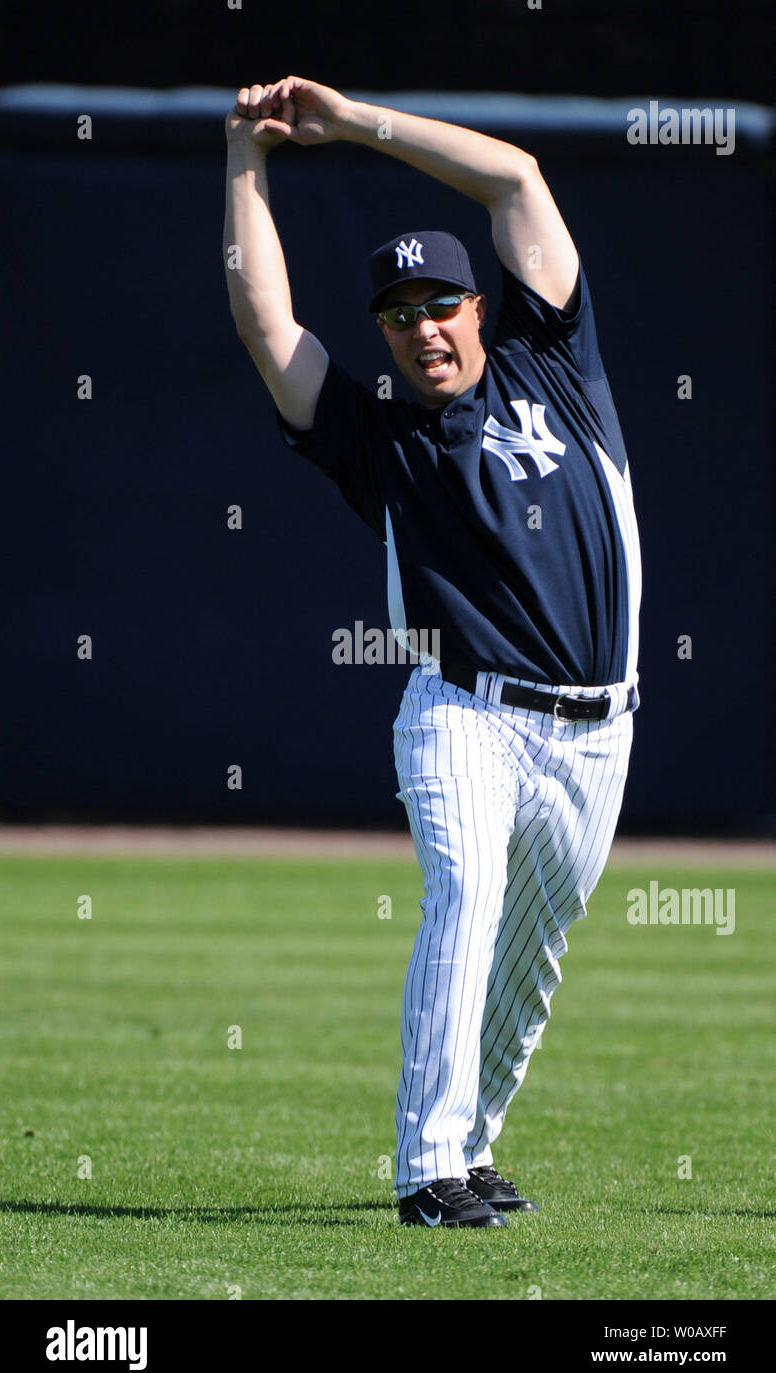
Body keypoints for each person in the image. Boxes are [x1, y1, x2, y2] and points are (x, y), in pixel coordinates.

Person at [223, 77, 641, 1229]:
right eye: (399, 314)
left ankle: (474, 1142)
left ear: (476, 306)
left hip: (600, 726)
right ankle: (426, 1170)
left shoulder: (553, 359)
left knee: (532, 958)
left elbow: (516, 178)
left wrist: (354, 123)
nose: (423, 326)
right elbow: (267, 327)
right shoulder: (381, 437)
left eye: (441, 302)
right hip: (464, 709)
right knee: (466, 892)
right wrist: (244, 158)